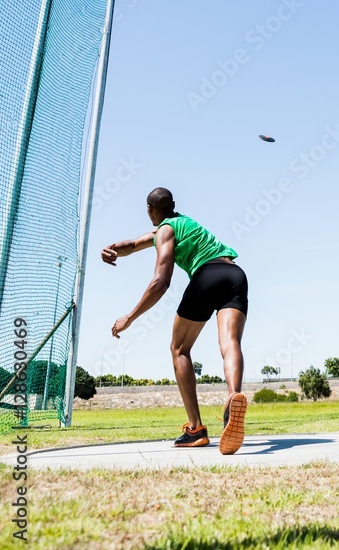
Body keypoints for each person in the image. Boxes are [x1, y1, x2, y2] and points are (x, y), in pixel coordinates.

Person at [101, 187, 248, 454]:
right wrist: (112, 249)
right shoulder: (183, 223)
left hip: (207, 276)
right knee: (230, 342)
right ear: (174, 205)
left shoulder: (166, 230)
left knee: (179, 349)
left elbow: (161, 281)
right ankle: (233, 396)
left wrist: (130, 317)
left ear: (149, 210)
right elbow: (134, 244)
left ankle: (195, 429)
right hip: (234, 274)